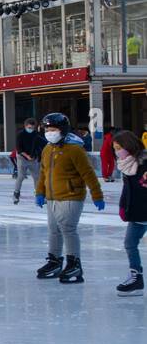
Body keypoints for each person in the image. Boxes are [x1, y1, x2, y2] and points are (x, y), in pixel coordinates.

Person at [34, 112, 105, 285]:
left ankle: (74, 263)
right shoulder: (47, 148)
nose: (49, 132)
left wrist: (97, 195)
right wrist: (40, 192)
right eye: (47, 129)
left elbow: (88, 173)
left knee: (67, 229)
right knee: (53, 230)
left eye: (53, 129)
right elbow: (43, 173)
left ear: (62, 130)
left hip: (71, 196)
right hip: (52, 197)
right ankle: (55, 261)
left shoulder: (74, 149)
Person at [112, 131, 147, 297]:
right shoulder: (126, 164)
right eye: (115, 148)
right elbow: (128, 190)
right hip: (137, 212)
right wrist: (123, 206)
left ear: (129, 145)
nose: (117, 151)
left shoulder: (144, 162)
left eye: (119, 148)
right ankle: (136, 278)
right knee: (130, 243)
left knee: (130, 243)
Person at [13, 118, 45, 205]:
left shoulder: (35, 134)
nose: (31, 129)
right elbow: (19, 149)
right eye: (29, 127)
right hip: (22, 158)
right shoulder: (20, 134)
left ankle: (39, 195)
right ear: (25, 126)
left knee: (37, 177)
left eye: (32, 128)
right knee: (21, 176)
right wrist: (27, 156)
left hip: (33, 158)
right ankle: (16, 194)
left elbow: (42, 143)